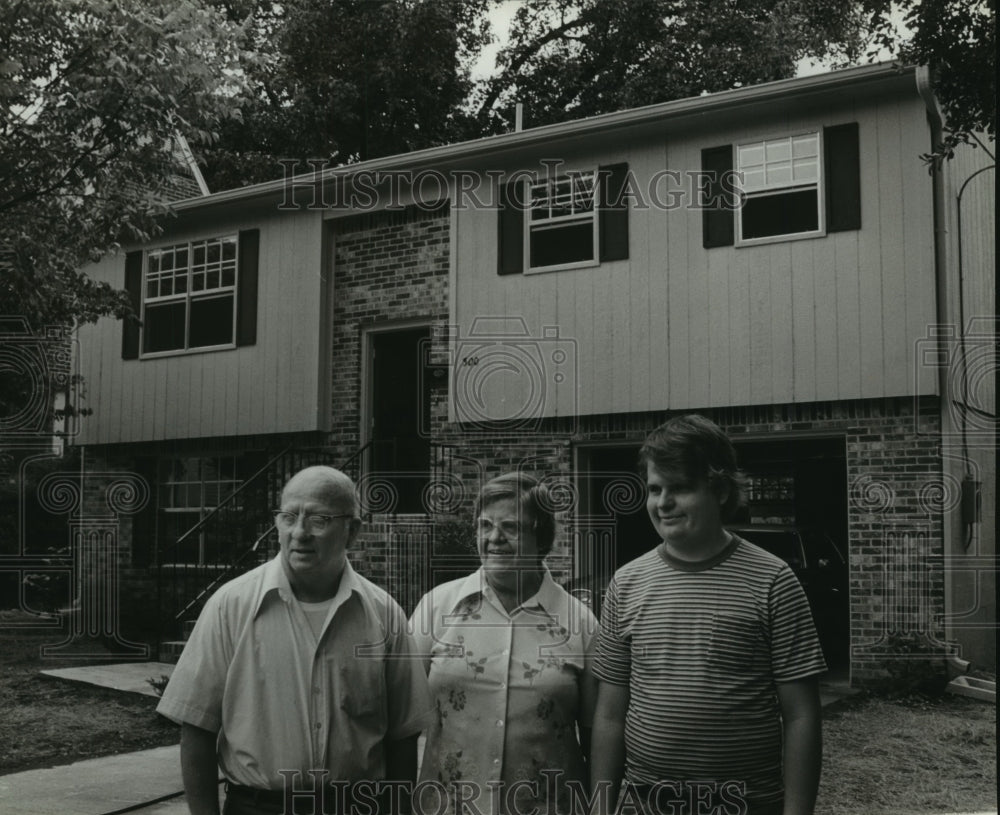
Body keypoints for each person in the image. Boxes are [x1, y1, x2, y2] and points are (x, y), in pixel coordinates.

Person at [157, 465, 433, 815]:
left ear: (352, 532)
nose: (299, 533)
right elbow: (196, 729)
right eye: (289, 517)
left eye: (319, 519)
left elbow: (403, 737)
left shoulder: (384, 614)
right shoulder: (231, 607)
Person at [590, 415, 826, 815]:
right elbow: (610, 714)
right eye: (654, 488)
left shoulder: (773, 580)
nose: (662, 503)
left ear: (718, 489)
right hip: (647, 805)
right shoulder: (626, 583)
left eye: (679, 488)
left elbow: (801, 715)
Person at [410, 472, 598, 815]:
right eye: (484, 526)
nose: (494, 538)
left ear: (541, 538)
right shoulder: (437, 608)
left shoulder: (580, 623)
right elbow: (403, 721)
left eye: (510, 527)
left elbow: (596, 733)